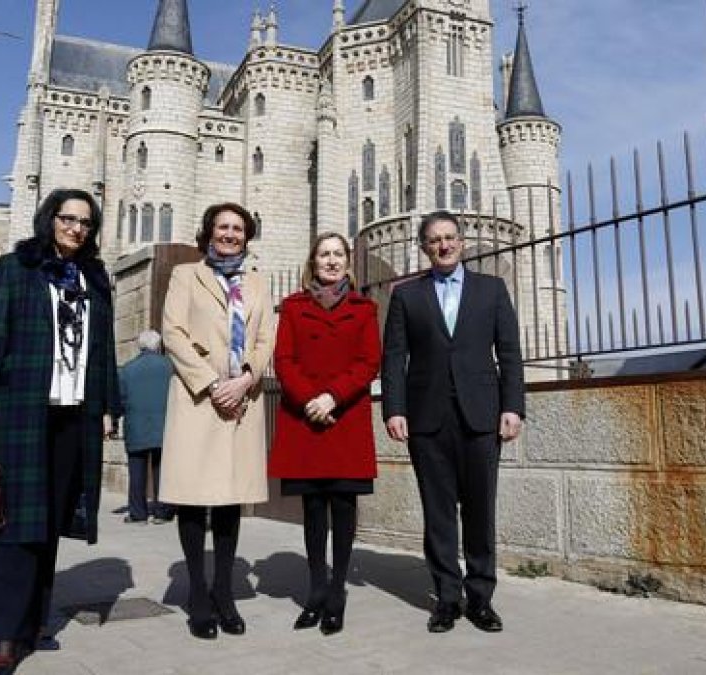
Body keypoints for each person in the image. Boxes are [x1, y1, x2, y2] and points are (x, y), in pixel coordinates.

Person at [0, 188, 120, 675]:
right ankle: (6, 637)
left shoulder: (94, 278)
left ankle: (34, 623)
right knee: (14, 525)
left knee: (49, 521)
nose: (76, 228)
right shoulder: (17, 269)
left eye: (85, 223)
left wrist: (110, 404)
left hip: (75, 414)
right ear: (49, 220)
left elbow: (104, 346)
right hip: (22, 409)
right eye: (68, 219)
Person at [381, 210, 525, 634]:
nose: (443, 245)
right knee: (438, 513)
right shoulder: (406, 296)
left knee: (481, 511)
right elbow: (393, 358)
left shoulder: (492, 290)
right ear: (423, 247)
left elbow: (510, 353)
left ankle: (481, 598)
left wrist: (512, 406)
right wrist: (394, 408)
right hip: (426, 421)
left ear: (461, 242)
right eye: (434, 240)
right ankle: (447, 597)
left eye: (450, 238)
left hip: (481, 416)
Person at [159, 202, 275, 640]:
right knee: (192, 497)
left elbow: (266, 337)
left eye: (238, 228)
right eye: (222, 227)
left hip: (242, 401)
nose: (230, 234)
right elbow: (173, 333)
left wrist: (246, 378)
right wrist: (212, 384)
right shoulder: (186, 276)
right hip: (198, 399)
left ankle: (224, 592)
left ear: (247, 236)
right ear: (208, 232)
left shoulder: (259, 284)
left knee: (229, 500)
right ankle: (198, 594)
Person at [269, 233, 380, 636]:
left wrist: (332, 397)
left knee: (344, 508)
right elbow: (284, 359)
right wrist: (309, 399)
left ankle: (337, 593)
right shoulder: (295, 308)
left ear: (347, 262)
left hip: (344, 418)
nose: (331, 261)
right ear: (312, 262)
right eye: (324, 255)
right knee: (313, 510)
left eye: (338, 255)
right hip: (305, 419)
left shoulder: (365, 308)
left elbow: (370, 361)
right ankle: (315, 592)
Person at [117, 329, 176, 524]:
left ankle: (138, 513)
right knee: (163, 471)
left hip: (136, 428)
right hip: (164, 427)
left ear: (140, 346)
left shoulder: (127, 369)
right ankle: (163, 512)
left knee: (136, 472)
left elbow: (121, 401)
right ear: (159, 346)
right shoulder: (170, 367)